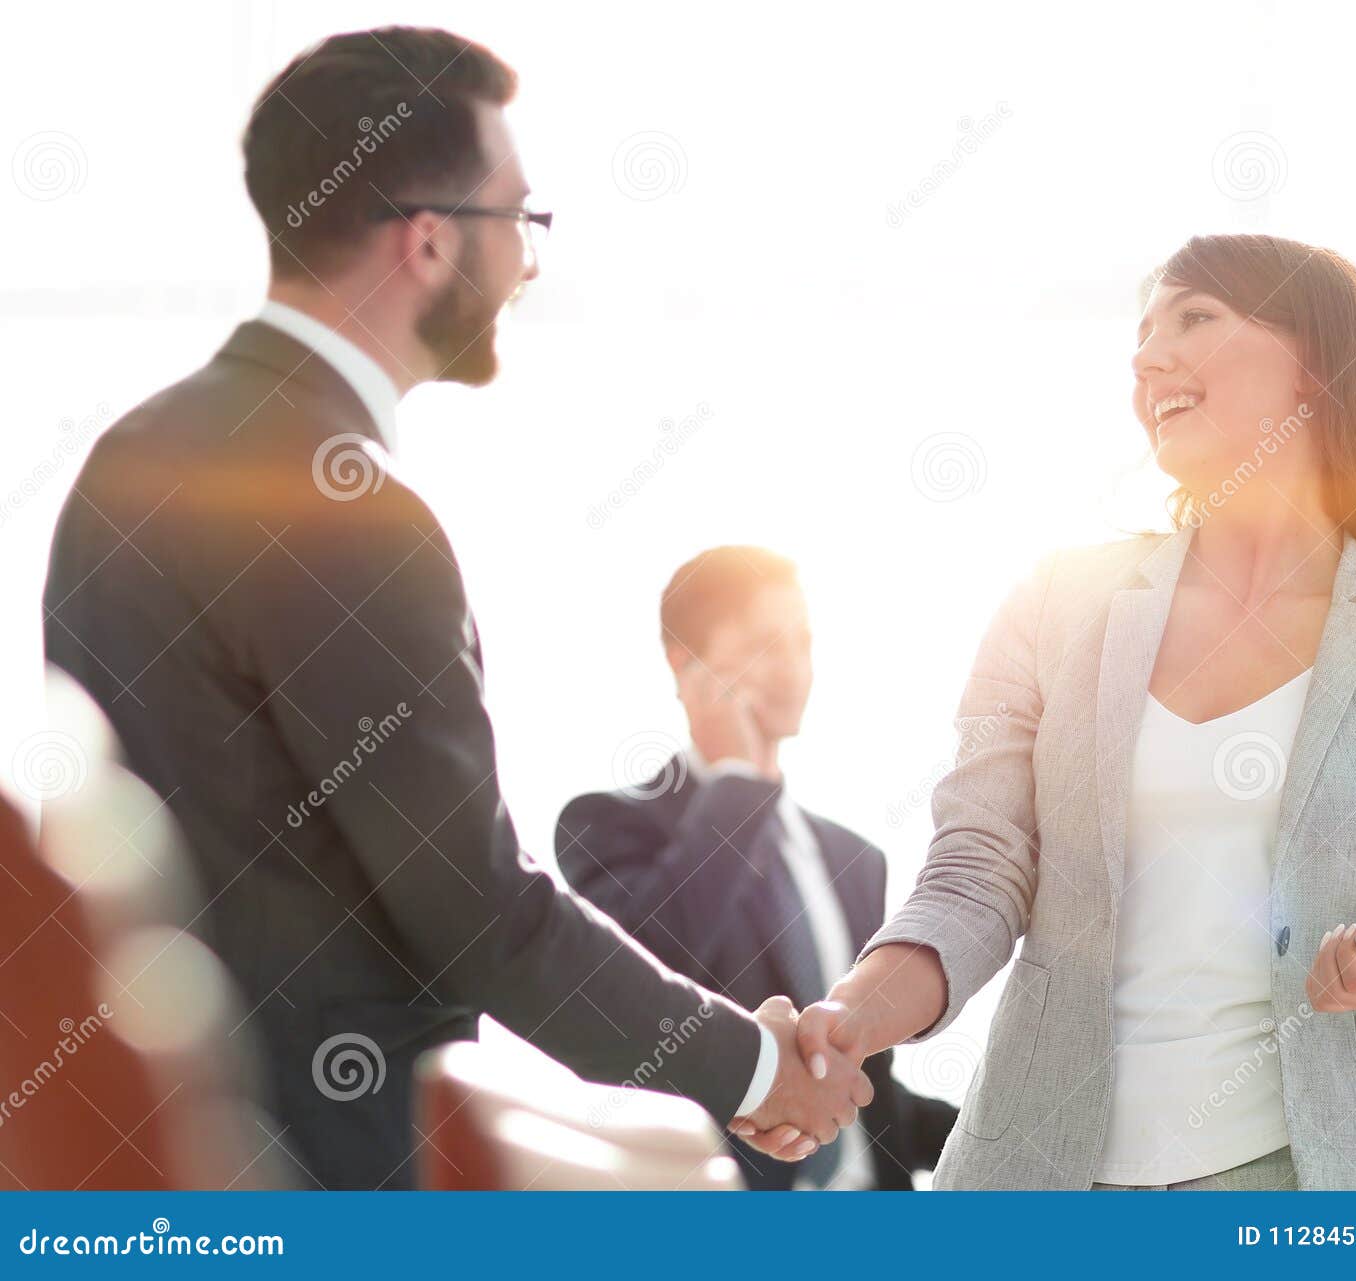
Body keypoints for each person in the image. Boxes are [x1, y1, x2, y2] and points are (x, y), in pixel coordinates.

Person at [40, 26, 866, 1190]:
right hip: (331, 1170)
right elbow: (476, 913)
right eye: (520, 221)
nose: (530, 264)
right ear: (428, 239)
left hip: (139, 1164)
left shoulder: (129, 460)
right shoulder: (347, 505)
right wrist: (756, 1067)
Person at [793, 233, 1356, 1191]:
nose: (1147, 356)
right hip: (1037, 1177)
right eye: (1142, 333)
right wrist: (850, 1018)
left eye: (1194, 318)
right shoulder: (1054, 601)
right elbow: (974, 877)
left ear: (1315, 363)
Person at [555, 546, 959, 1189]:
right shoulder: (605, 826)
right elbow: (641, 978)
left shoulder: (854, 861)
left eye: (803, 642)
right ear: (684, 664)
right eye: (765, 644)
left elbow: (865, 1094)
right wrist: (740, 782)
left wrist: (1005, 1130)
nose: (794, 668)